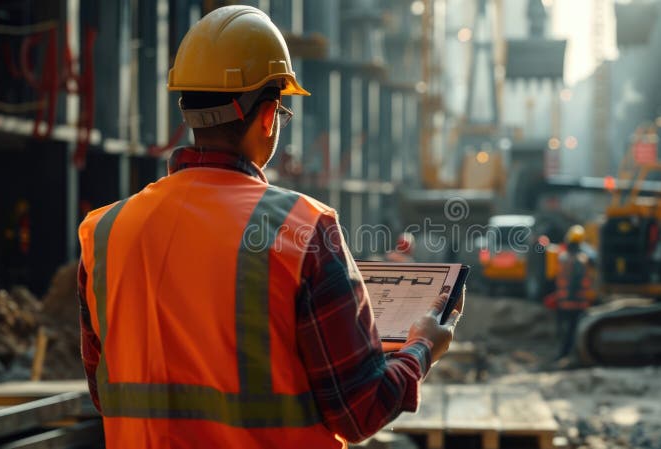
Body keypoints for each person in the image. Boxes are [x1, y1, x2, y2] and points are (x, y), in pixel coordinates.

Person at [77, 6, 461, 448]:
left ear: (186, 111)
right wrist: (422, 348)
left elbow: (105, 392)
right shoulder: (303, 229)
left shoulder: (103, 233)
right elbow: (360, 411)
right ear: (267, 114)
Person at [546, 225, 596, 360]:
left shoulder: (561, 258)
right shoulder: (583, 259)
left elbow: (553, 279)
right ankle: (572, 355)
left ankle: (563, 354)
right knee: (574, 332)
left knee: (564, 332)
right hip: (578, 303)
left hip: (563, 303)